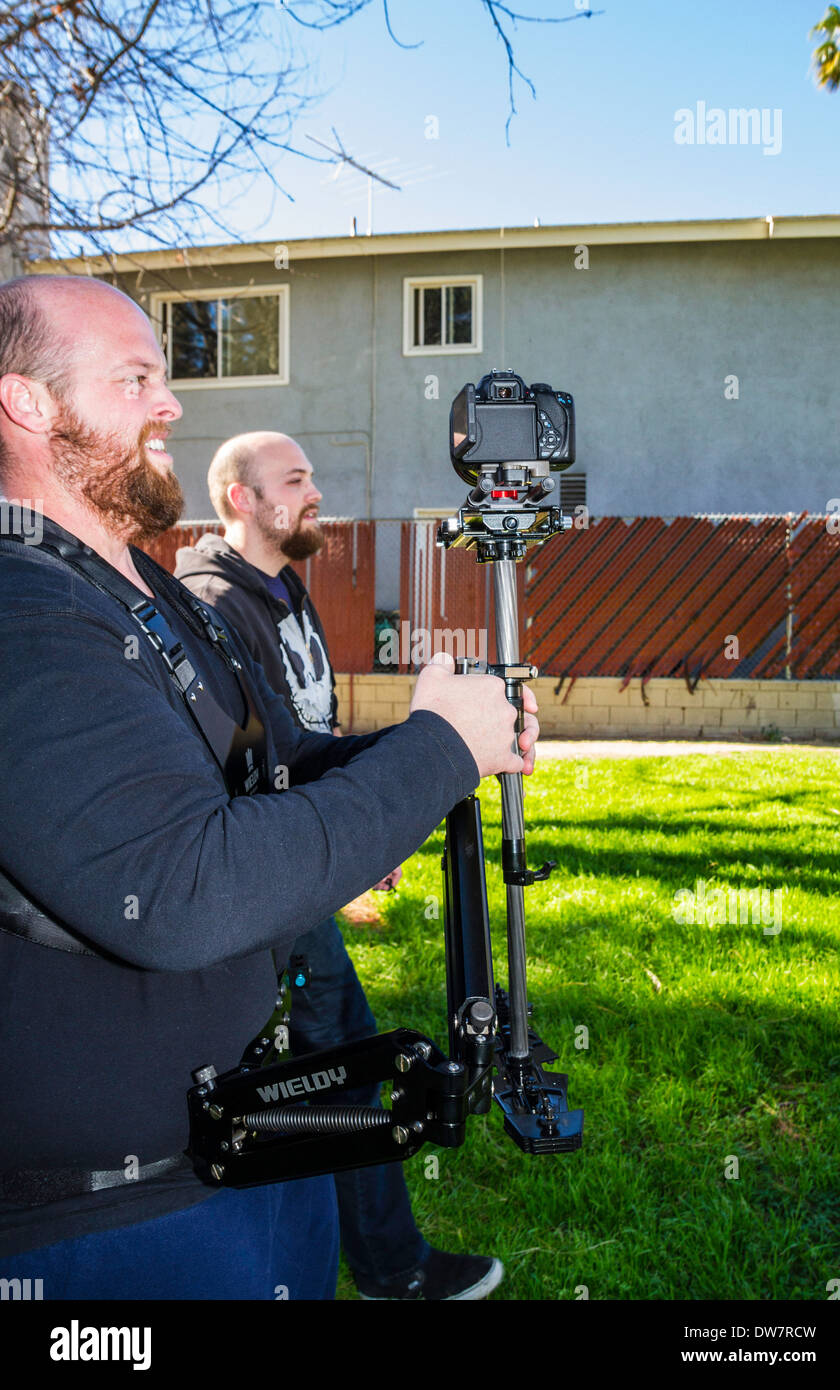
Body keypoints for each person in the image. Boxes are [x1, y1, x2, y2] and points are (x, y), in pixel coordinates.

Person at [0, 274, 539, 1300]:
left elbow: (266, 769)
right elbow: (182, 887)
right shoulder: (22, 608)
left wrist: (438, 742)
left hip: (246, 1142)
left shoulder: (134, 584)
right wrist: (436, 753)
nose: (171, 405)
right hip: (105, 1222)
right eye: (136, 379)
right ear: (27, 403)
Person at [175, 431, 503, 1300]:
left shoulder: (284, 589)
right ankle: (387, 1269)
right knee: (343, 1069)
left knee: (330, 1069)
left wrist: (379, 811)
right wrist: (351, 832)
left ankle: (361, 1263)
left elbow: (304, 740)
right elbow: (246, 772)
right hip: (269, 896)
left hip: (301, 878)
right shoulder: (212, 604)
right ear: (242, 499)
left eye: (312, 476)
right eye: (296, 479)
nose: (316, 492)